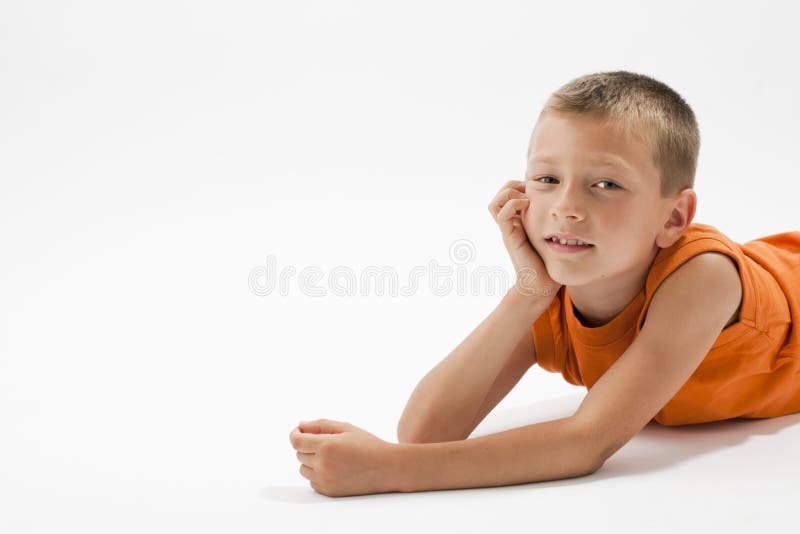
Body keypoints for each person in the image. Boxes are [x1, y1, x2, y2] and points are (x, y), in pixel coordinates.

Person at [288, 70, 800, 498]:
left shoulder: (703, 278)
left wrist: (389, 471)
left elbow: (585, 442)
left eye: (605, 184)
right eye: (547, 179)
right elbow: (424, 433)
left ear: (673, 218)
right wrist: (528, 292)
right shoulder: (551, 293)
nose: (566, 207)